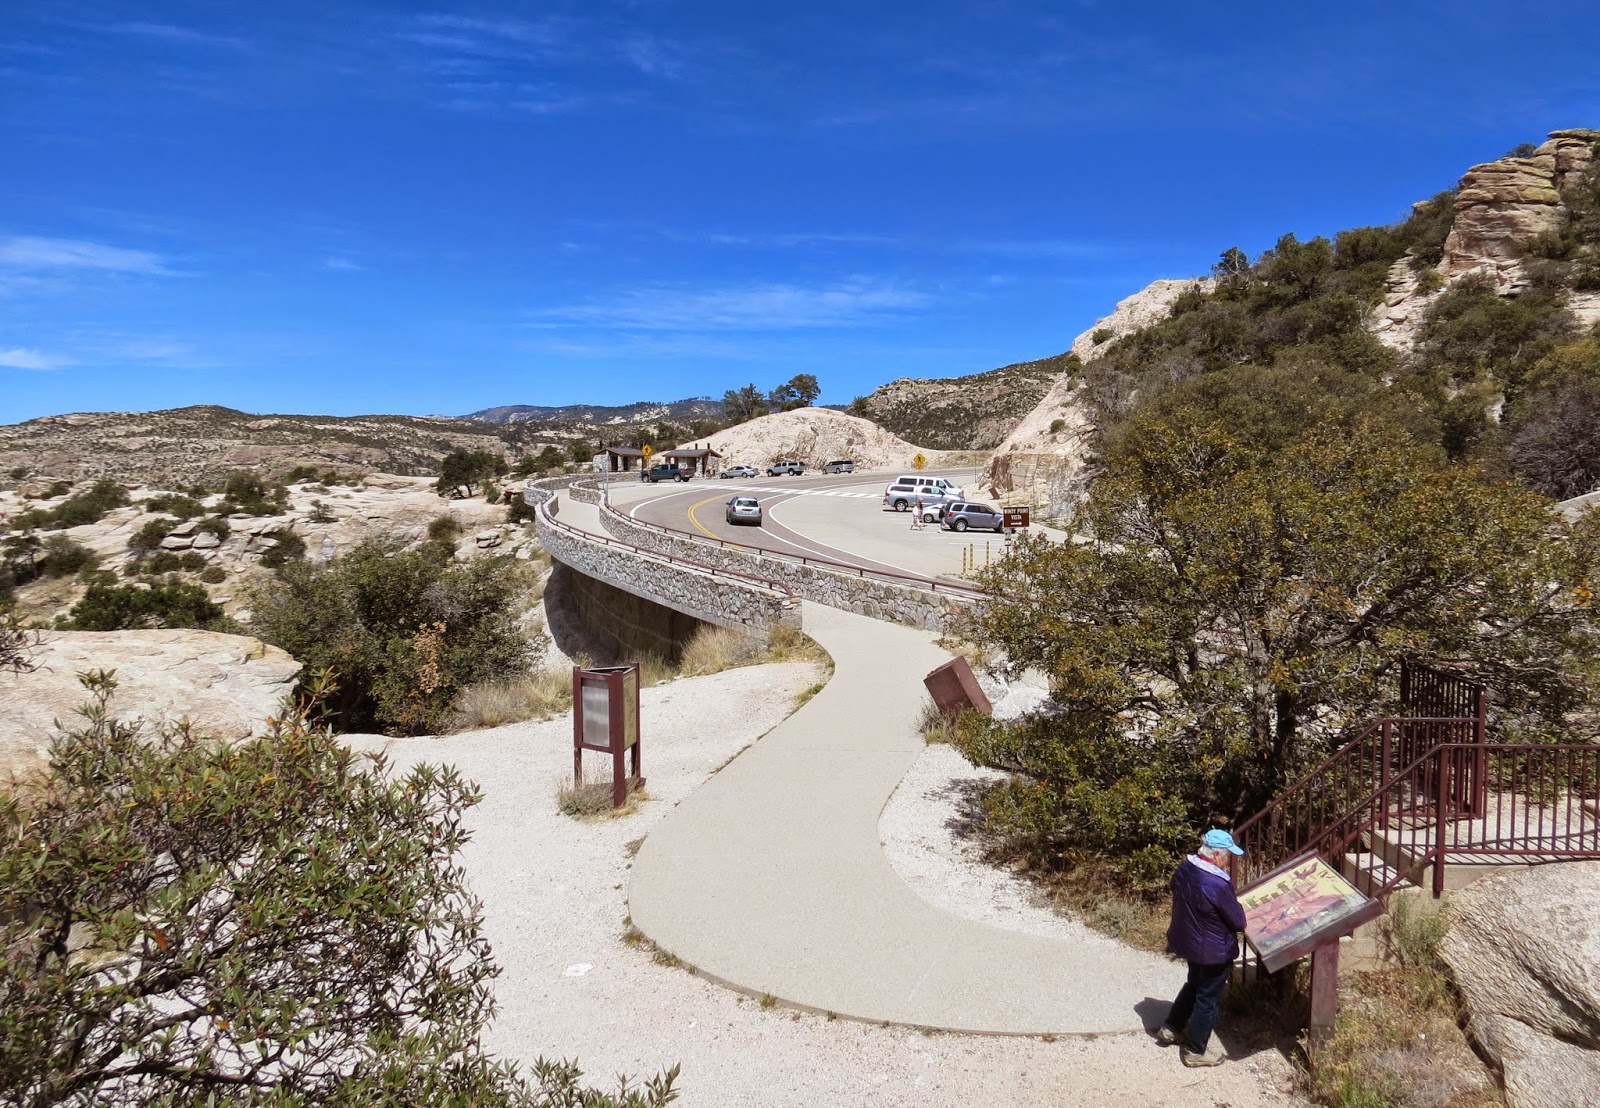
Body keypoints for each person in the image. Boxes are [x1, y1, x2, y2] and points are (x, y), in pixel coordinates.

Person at [1158, 828, 1248, 1067]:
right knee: (1208, 998)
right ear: (1216, 854)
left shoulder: (1186, 868)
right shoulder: (1217, 883)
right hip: (1213, 949)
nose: (1229, 859)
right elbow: (1238, 921)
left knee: (1193, 984)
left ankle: (1171, 1028)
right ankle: (1196, 1051)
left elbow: (1176, 889)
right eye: (1228, 854)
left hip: (1190, 940)